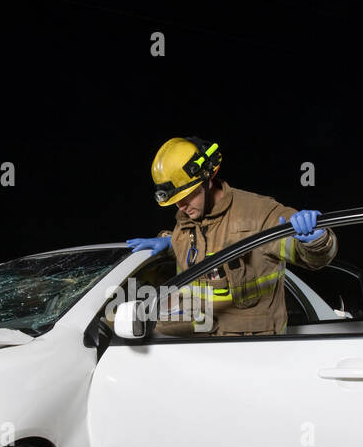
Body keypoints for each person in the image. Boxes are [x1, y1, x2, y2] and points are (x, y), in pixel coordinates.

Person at [126, 137, 337, 336]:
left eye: (186, 196)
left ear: (208, 177)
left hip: (253, 349)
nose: (181, 206)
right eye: (175, 200)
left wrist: (315, 240)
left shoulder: (260, 213)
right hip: (198, 346)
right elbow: (198, 252)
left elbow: (315, 257)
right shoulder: (186, 221)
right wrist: (170, 241)